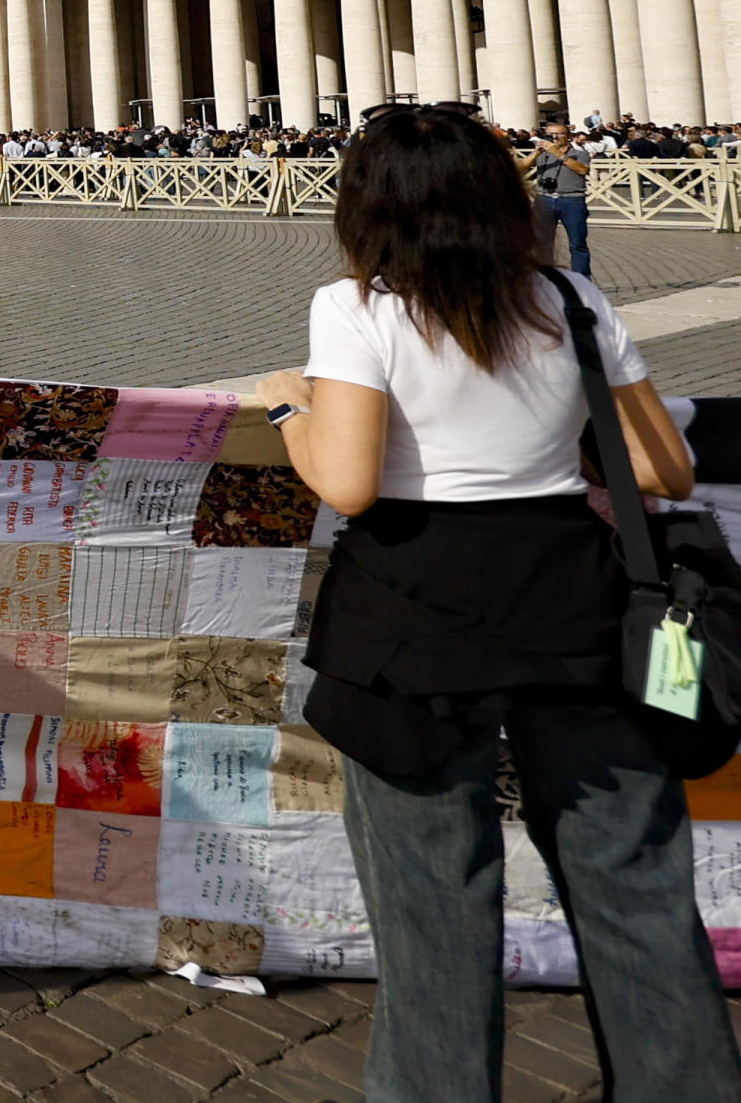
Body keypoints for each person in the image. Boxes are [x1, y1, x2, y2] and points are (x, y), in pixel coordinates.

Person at [260, 104, 738, 1102]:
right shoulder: (570, 298)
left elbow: (347, 482)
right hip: (577, 606)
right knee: (636, 889)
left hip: (412, 624)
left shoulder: (358, 308)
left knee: (434, 907)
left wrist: (287, 407)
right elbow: (667, 466)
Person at [531, 120, 592, 276]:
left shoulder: (580, 153)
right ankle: (546, 278)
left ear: (569, 136)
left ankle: (582, 280)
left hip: (571, 200)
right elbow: (519, 168)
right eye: (550, 134)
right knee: (542, 243)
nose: (555, 137)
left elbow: (582, 170)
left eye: (559, 133)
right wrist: (535, 153)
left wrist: (559, 154)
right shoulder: (542, 154)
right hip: (544, 199)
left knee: (577, 243)